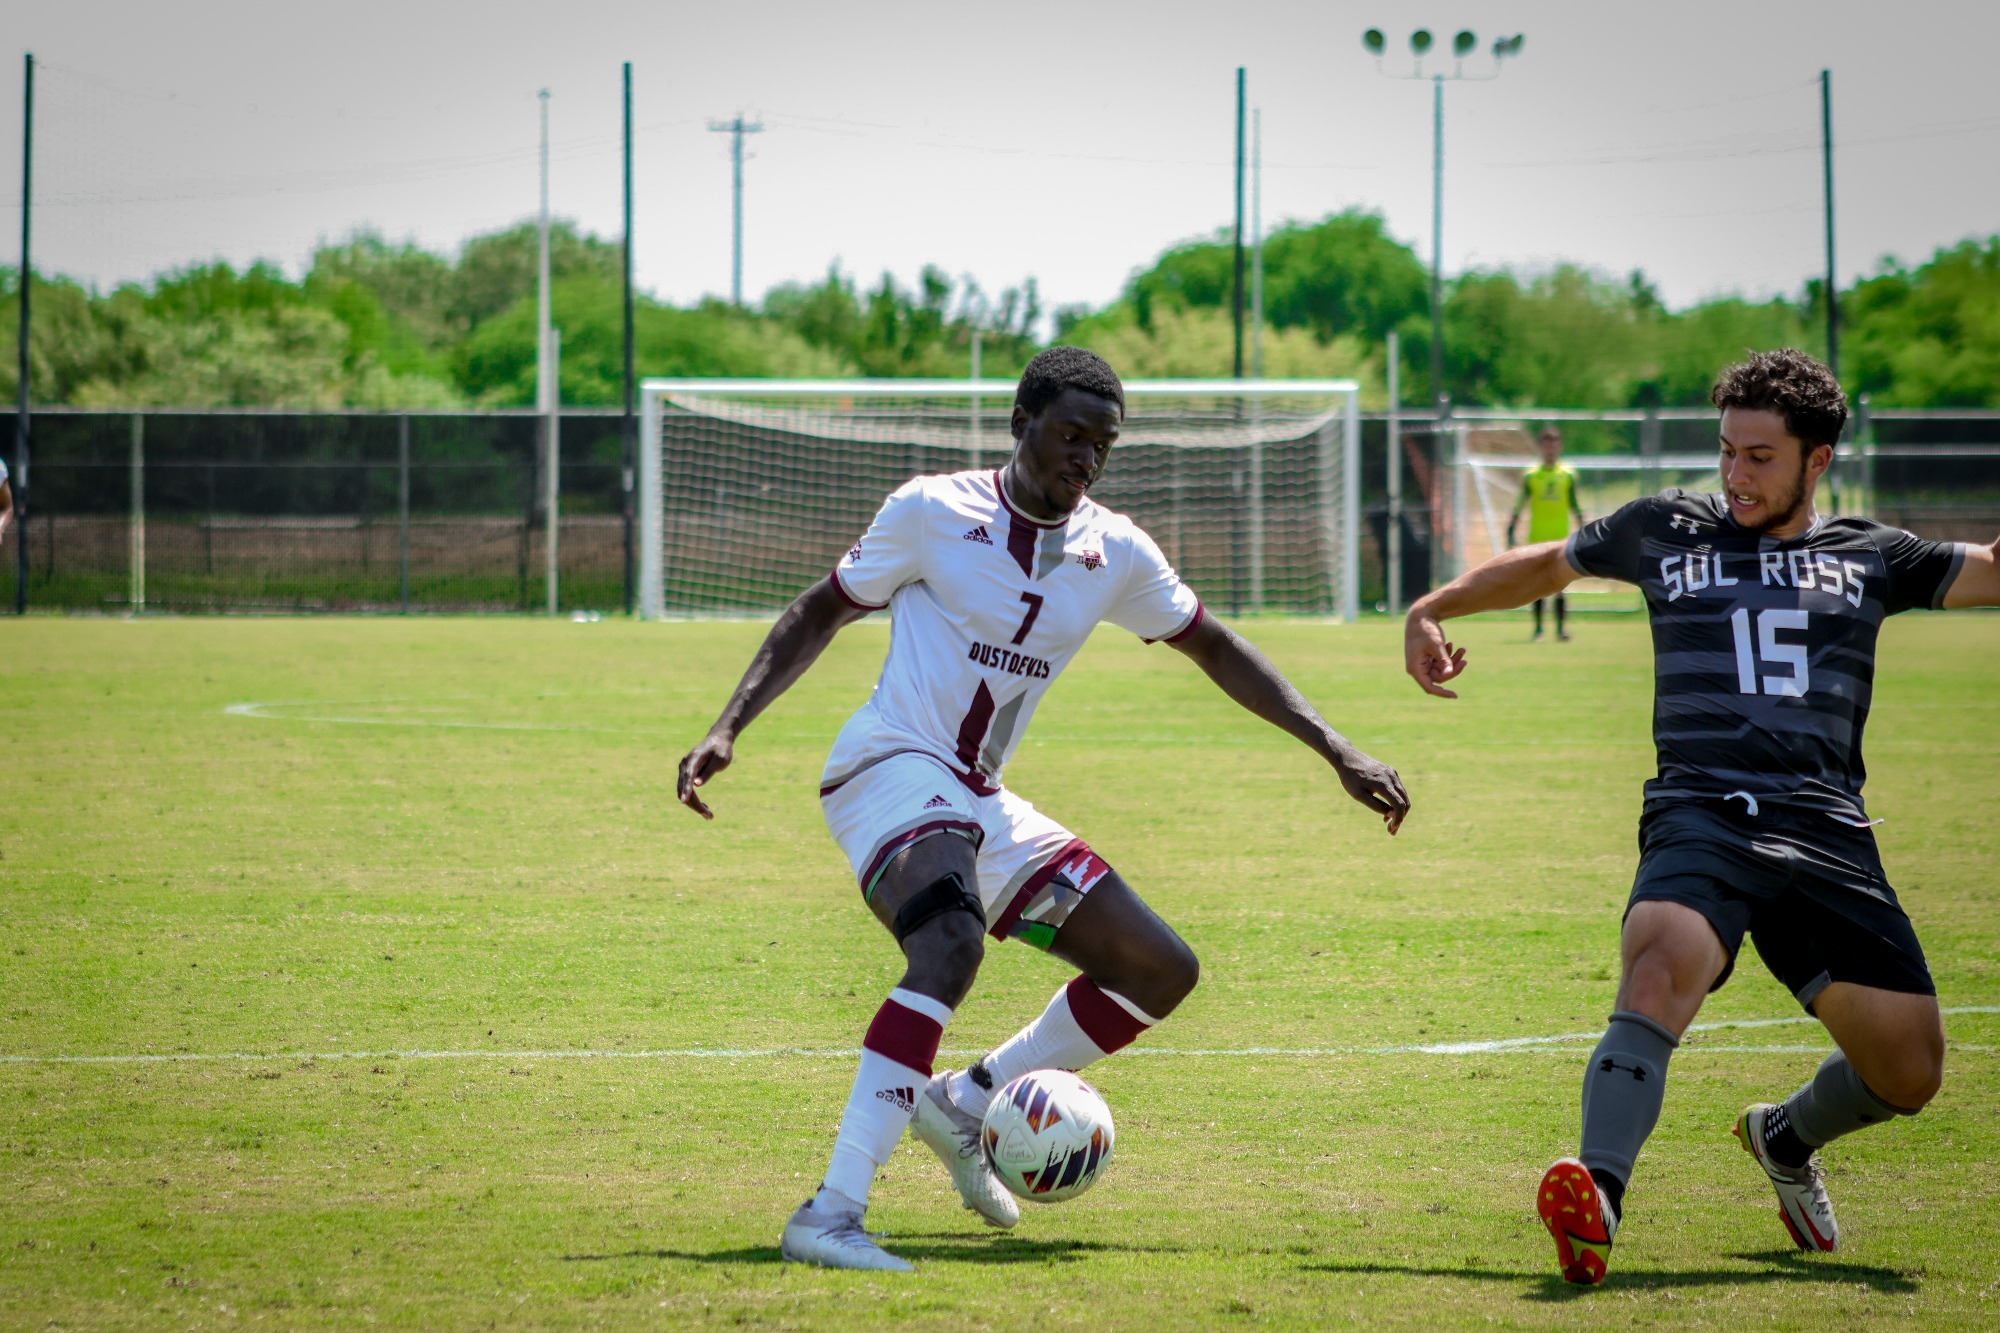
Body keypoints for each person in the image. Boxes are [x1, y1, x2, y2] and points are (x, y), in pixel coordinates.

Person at [678, 346, 1411, 1272]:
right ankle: (830, 1213)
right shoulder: (932, 510)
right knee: (948, 945)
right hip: (889, 767)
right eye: (1071, 436)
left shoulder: (1115, 550)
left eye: (1103, 445)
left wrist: (1336, 746)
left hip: (979, 801)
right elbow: (818, 611)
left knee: (1158, 969)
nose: (1086, 459)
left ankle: (970, 1100)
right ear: (1021, 423)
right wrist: (727, 725)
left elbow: (1216, 648)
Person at [1403, 348, 1999, 1284]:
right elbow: (1550, 565)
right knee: (1660, 955)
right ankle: (1598, 1196)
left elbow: (1994, 572)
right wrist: (1434, 605)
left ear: (1818, 460)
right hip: (1702, 813)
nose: (1736, 473)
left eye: (1761, 456)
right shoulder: (1664, 529)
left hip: (1826, 834)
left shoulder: (1874, 556)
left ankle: (1784, 1134)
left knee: (1911, 1072)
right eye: (1727, 450)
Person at [1506, 426, 1584, 640]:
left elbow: (1575, 504)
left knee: (1561, 584)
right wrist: (1511, 527)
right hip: (1537, 537)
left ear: (1559, 447)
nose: (1550, 448)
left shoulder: (1567, 475)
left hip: (1561, 537)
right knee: (1538, 585)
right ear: (1541, 447)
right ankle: (1538, 630)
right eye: (1547, 444)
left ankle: (1560, 630)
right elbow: (1521, 503)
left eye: (1554, 444)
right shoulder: (1531, 475)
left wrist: (1584, 528)